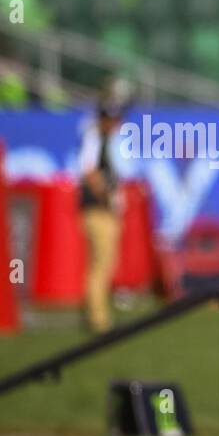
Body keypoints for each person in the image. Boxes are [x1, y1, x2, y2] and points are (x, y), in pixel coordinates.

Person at [76, 79, 128, 333]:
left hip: (103, 210)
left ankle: (93, 311)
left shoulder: (104, 139)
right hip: (98, 210)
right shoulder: (95, 137)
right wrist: (106, 196)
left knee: (103, 263)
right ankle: (98, 318)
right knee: (101, 263)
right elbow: (89, 171)